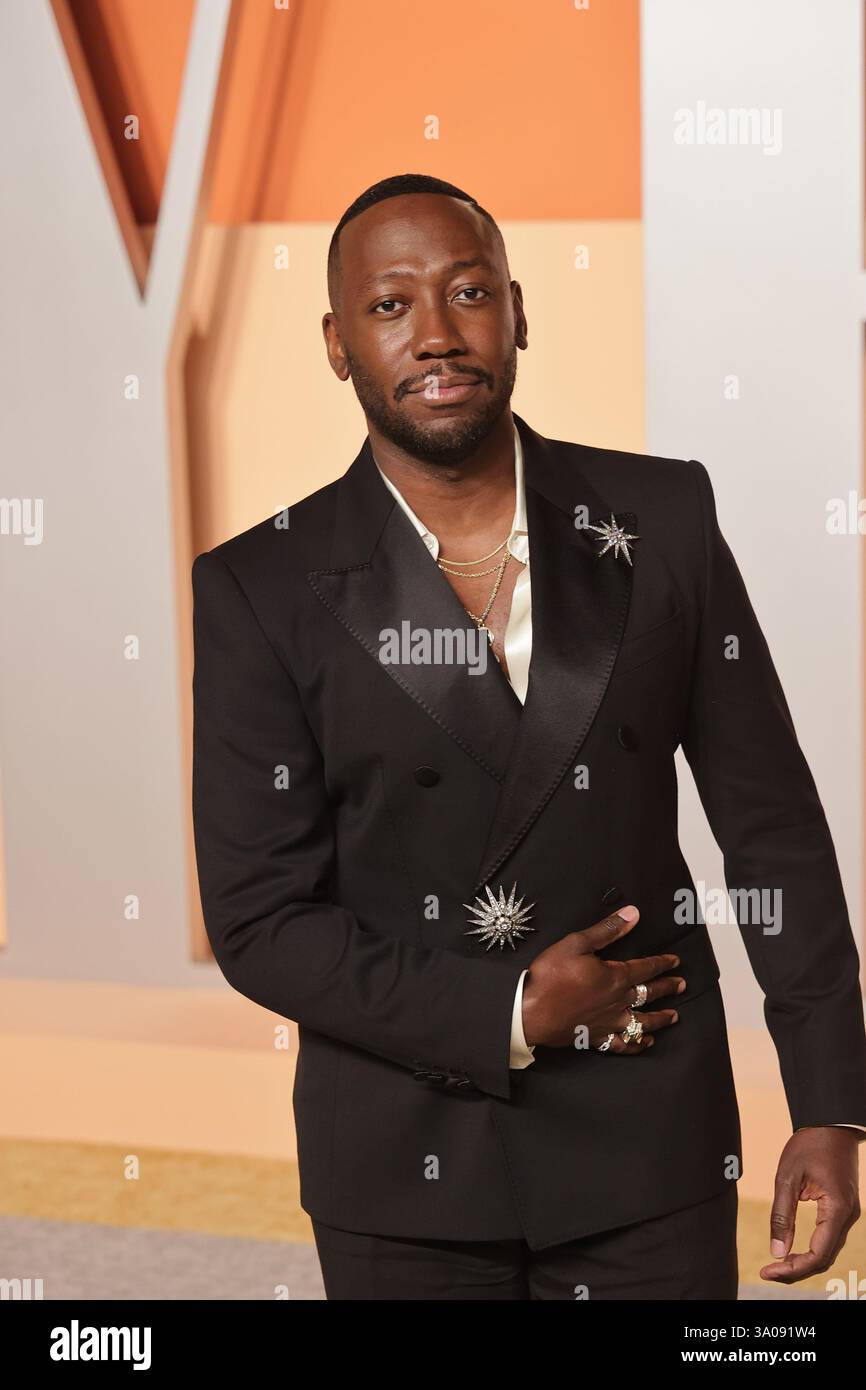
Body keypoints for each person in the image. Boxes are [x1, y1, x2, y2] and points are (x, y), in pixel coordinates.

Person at [191, 173, 866, 1300]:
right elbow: (257, 919)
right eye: (391, 305)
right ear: (336, 341)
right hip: (402, 1174)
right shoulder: (260, 586)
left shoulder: (664, 522)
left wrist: (830, 1099)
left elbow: (771, 829)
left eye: (466, 292)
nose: (437, 334)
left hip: (651, 1143)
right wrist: (504, 1010)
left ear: (516, 311)